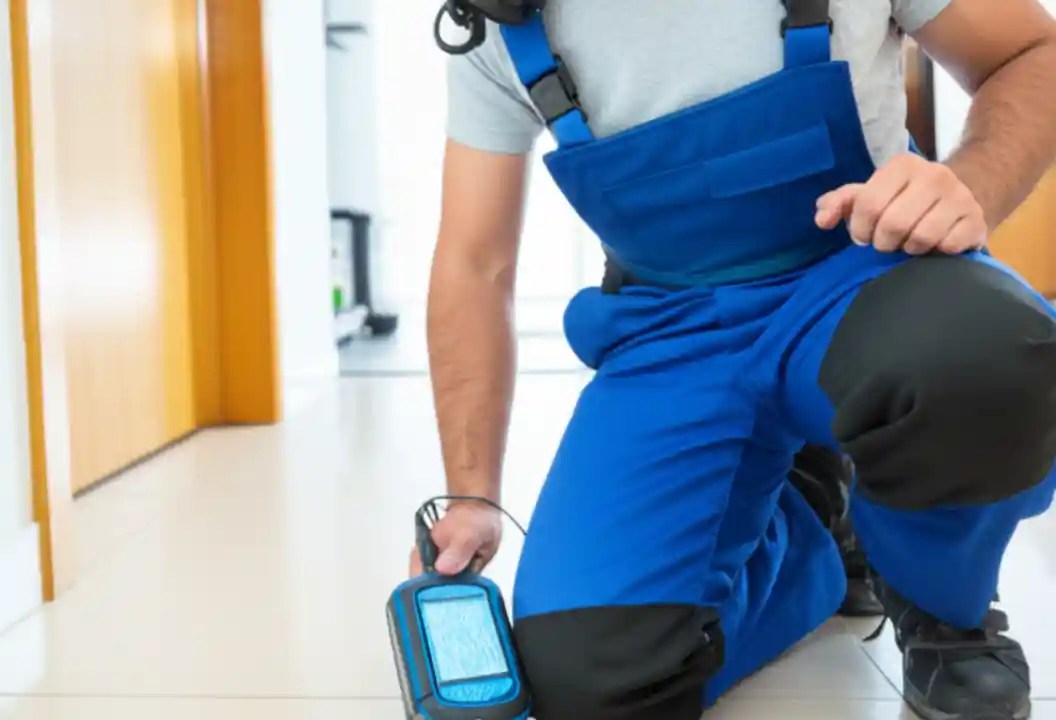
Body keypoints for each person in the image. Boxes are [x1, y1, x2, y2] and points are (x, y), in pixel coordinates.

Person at [412, 0, 1056, 717]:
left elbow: (1032, 54)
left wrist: (972, 183)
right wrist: (471, 497)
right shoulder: (500, 28)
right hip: (672, 332)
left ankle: (947, 616)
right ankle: (819, 520)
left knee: (980, 357)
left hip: (865, 277)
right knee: (592, 678)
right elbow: (476, 264)